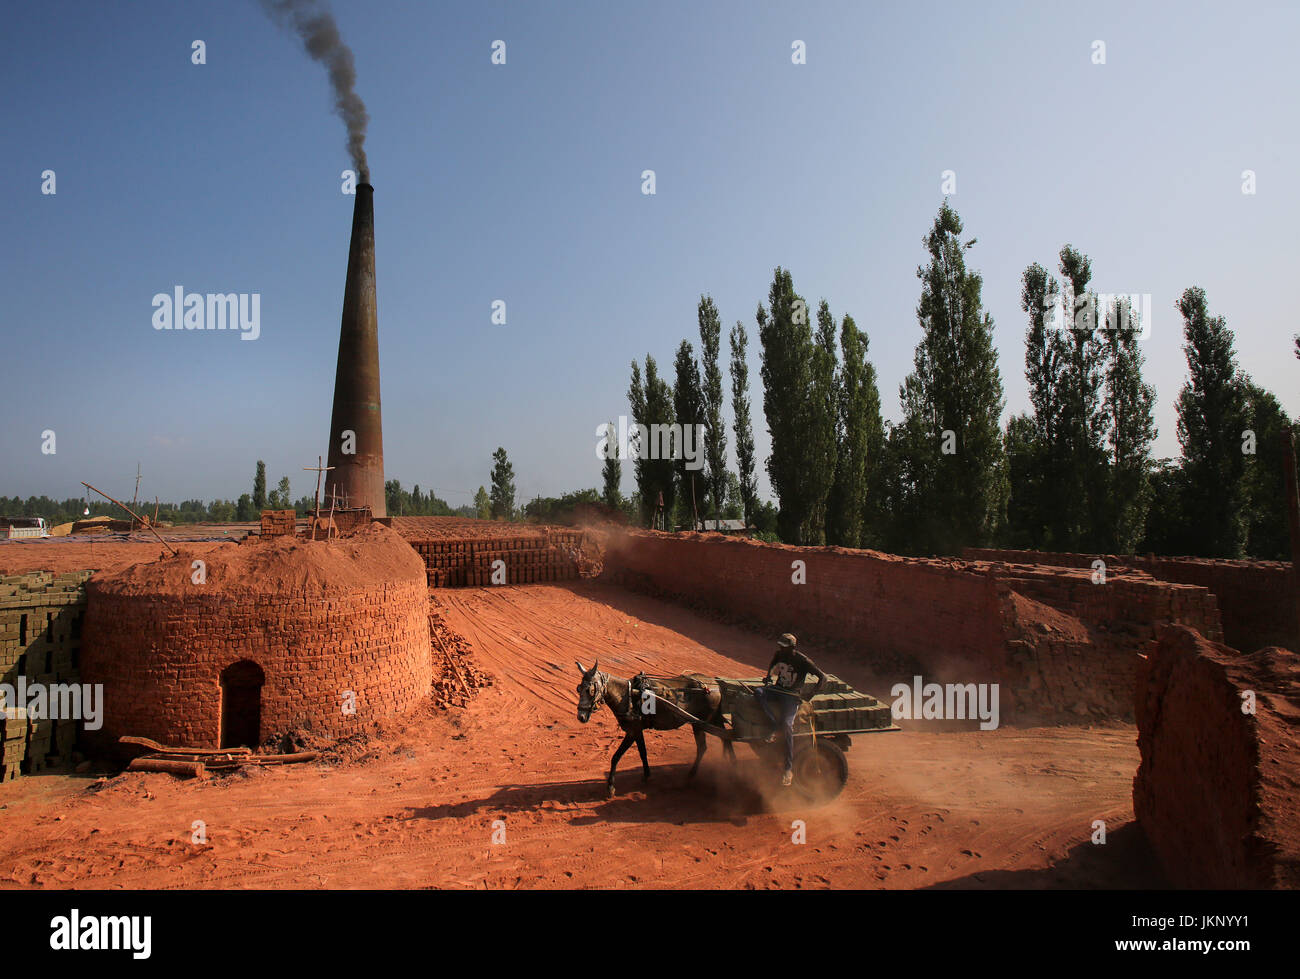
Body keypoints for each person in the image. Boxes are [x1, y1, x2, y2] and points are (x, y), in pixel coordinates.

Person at [755, 633, 826, 785]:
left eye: (784, 647)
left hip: (791, 697)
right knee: (758, 692)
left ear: (793, 647)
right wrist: (768, 677)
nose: (781, 649)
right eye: (780, 646)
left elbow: (822, 678)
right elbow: (773, 665)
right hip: (776, 691)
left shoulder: (803, 661)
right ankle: (774, 725)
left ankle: (788, 770)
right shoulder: (779, 654)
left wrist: (809, 694)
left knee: (787, 726)